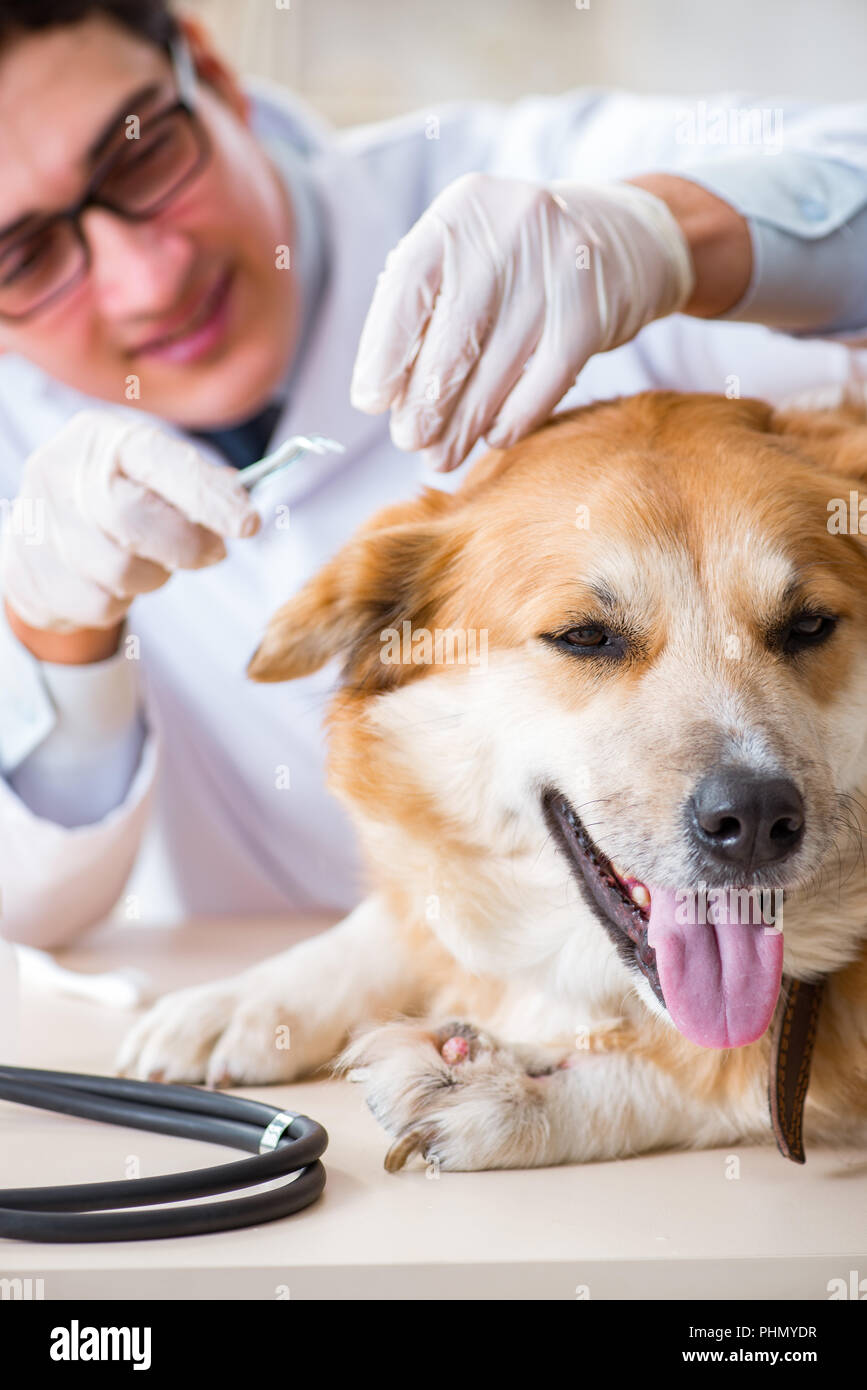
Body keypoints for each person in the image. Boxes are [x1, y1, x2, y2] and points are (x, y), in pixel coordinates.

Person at [0, 0, 866, 946]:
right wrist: (55, 632)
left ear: (209, 72)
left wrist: (666, 237)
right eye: (24, 254)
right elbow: (27, 911)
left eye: (141, 159)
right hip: (260, 1007)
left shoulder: (529, 189)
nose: (148, 278)